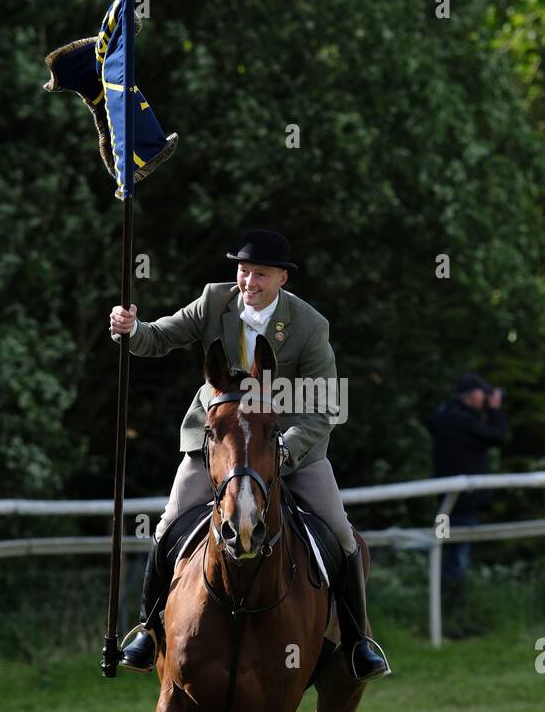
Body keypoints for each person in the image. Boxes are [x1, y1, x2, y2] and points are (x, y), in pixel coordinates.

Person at [109, 228, 390, 682]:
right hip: (218, 443)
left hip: (289, 446)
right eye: (243, 271)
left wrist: (283, 450)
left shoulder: (309, 326)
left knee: (341, 533)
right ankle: (148, 628)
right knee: (168, 523)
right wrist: (131, 329)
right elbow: (158, 338)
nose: (248, 282)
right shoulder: (213, 301)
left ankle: (358, 642)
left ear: (282, 278)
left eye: (260, 274)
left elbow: (324, 409)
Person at [425, 372, 509, 588]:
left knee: (451, 552)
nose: (486, 398)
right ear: (470, 395)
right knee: (456, 559)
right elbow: (498, 436)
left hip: (453, 499)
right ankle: (453, 611)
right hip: (463, 500)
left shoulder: (448, 415)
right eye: (484, 393)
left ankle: (449, 607)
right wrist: (494, 410)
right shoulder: (460, 420)